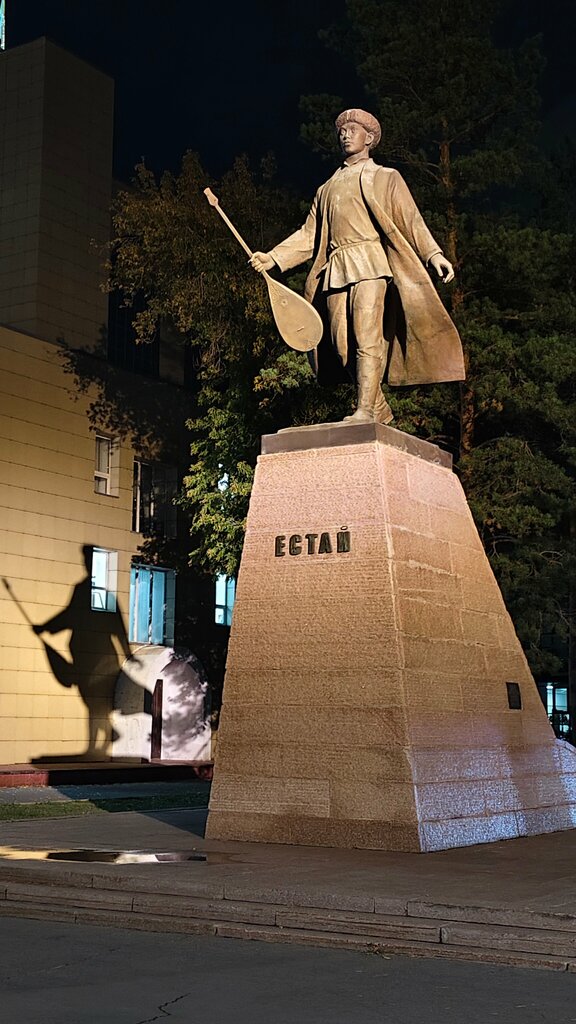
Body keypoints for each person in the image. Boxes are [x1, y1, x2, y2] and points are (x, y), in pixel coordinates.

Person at [250, 108, 465, 424]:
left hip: (370, 263)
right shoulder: (326, 189)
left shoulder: (385, 177)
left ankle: (365, 408)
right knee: (341, 345)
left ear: (369, 138)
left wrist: (433, 254)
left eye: (353, 130)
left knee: (366, 336)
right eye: (342, 131)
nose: (345, 134)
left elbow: (410, 220)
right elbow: (309, 235)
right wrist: (273, 257)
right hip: (336, 267)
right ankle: (378, 405)